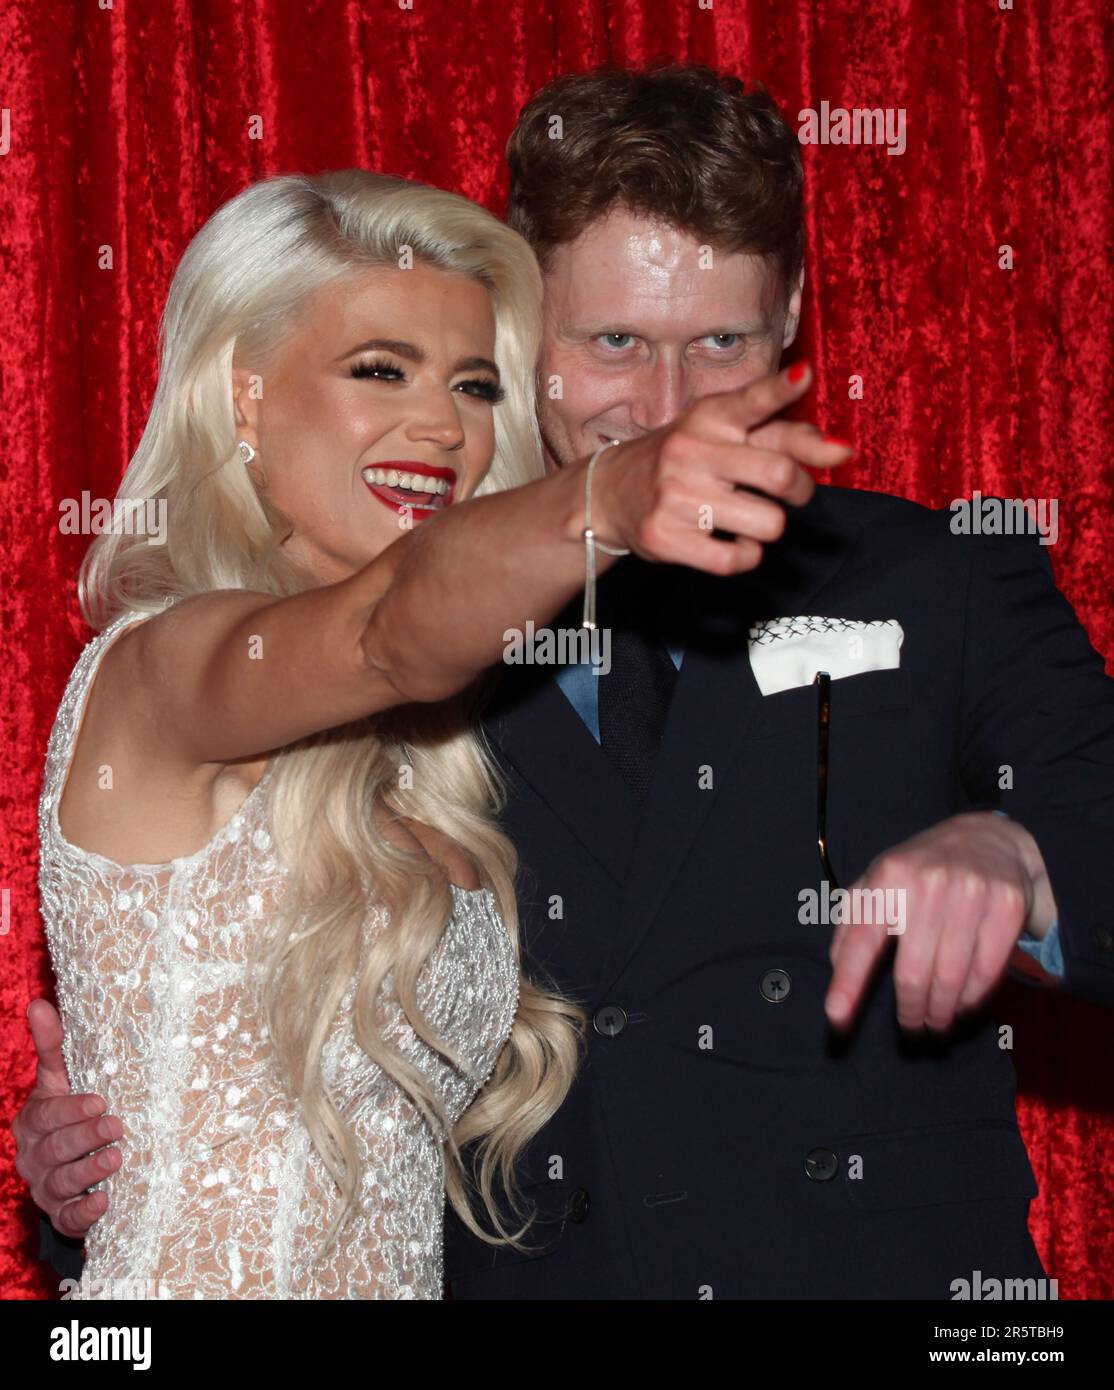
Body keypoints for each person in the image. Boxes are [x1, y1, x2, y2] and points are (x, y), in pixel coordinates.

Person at [20, 65, 1113, 1300]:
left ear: (794, 314)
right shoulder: (395, 611)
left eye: (721, 344)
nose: (666, 409)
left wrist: (1021, 862)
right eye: (612, 345)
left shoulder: (932, 576)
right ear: (528, 328)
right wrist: (111, 1154)